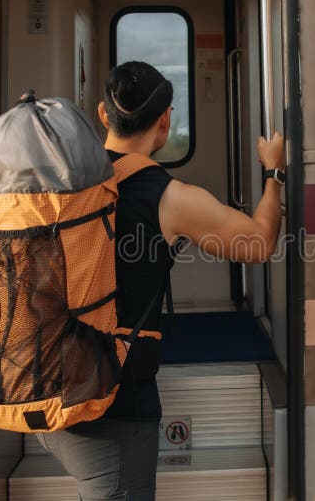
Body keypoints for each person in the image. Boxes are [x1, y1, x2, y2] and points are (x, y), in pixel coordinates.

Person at [36, 61, 285, 501]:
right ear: (166, 120)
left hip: (42, 381)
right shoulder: (170, 198)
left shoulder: (61, 180)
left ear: (103, 114)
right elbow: (260, 243)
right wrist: (273, 172)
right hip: (111, 407)